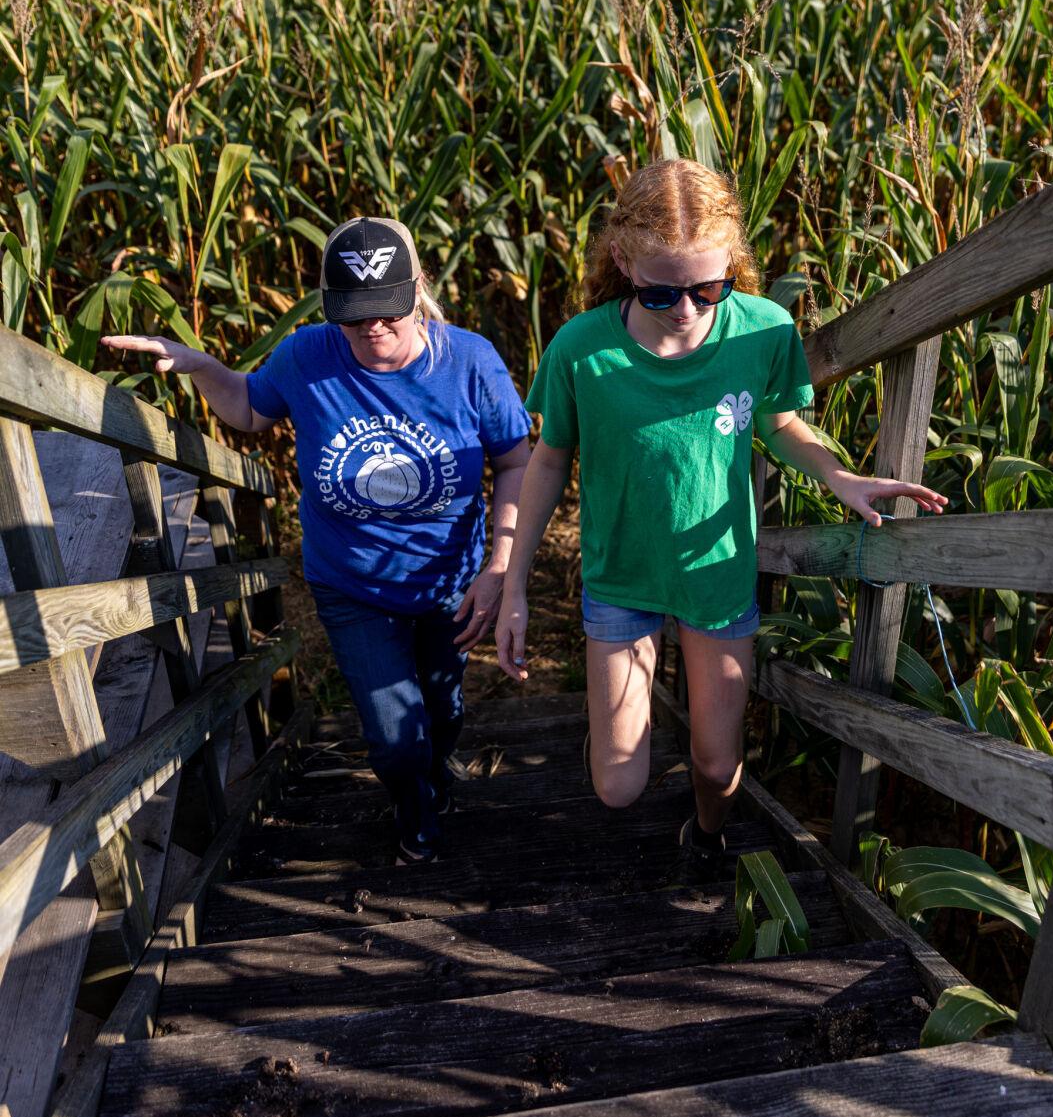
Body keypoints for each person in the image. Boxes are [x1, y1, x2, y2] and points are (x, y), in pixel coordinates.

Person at [495, 159, 945, 869]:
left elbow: (780, 422)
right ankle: (613, 735)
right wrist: (515, 582)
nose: (686, 310)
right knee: (616, 787)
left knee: (715, 767)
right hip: (620, 577)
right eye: (662, 291)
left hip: (717, 578)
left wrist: (840, 475)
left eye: (708, 288)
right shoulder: (580, 348)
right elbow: (549, 459)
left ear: (731, 264)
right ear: (622, 259)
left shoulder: (759, 330)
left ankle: (705, 835)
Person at [104, 215, 532, 865]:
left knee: (443, 709)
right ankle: (413, 808)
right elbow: (249, 409)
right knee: (394, 737)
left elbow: (515, 460)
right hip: (351, 581)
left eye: (387, 309)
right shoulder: (307, 354)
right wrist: (200, 366)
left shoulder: (468, 361)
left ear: (417, 289)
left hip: (452, 578)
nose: (373, 328)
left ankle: (435, 774)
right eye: (355, 315)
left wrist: (500, 565)